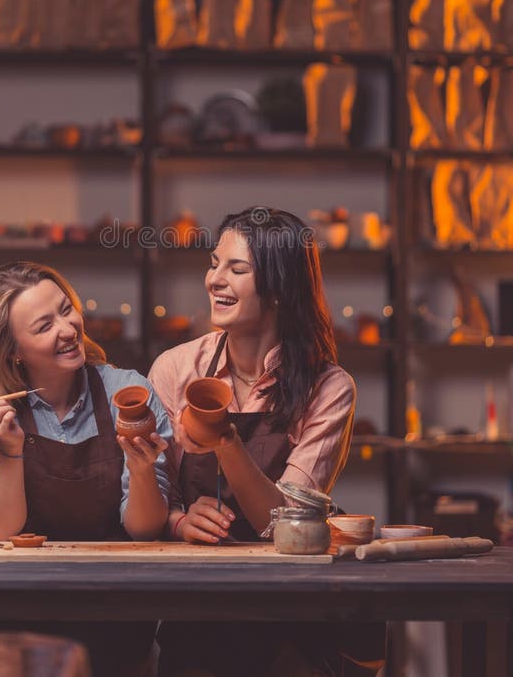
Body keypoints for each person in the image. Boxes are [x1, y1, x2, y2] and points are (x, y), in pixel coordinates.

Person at [149, 207, 385, 677]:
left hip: (290, 615)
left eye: (236, 269)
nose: (215, 279)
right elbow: (149, 499)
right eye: (213, 263)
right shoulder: (175, 369)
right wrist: (177, 520)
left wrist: (224, 438)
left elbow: (287, 525)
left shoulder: (328, 388)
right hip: (195, 609)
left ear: (279, 289)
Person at [0, 260, 172, 677]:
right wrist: (11, 449)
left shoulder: (127, 391)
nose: (68, 329)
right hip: (7, 618)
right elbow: (0, 530)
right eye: (44, 326)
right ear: (13, 349)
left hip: (110, 615)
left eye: (67, 309)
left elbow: (145, 529)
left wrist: (142, 471)